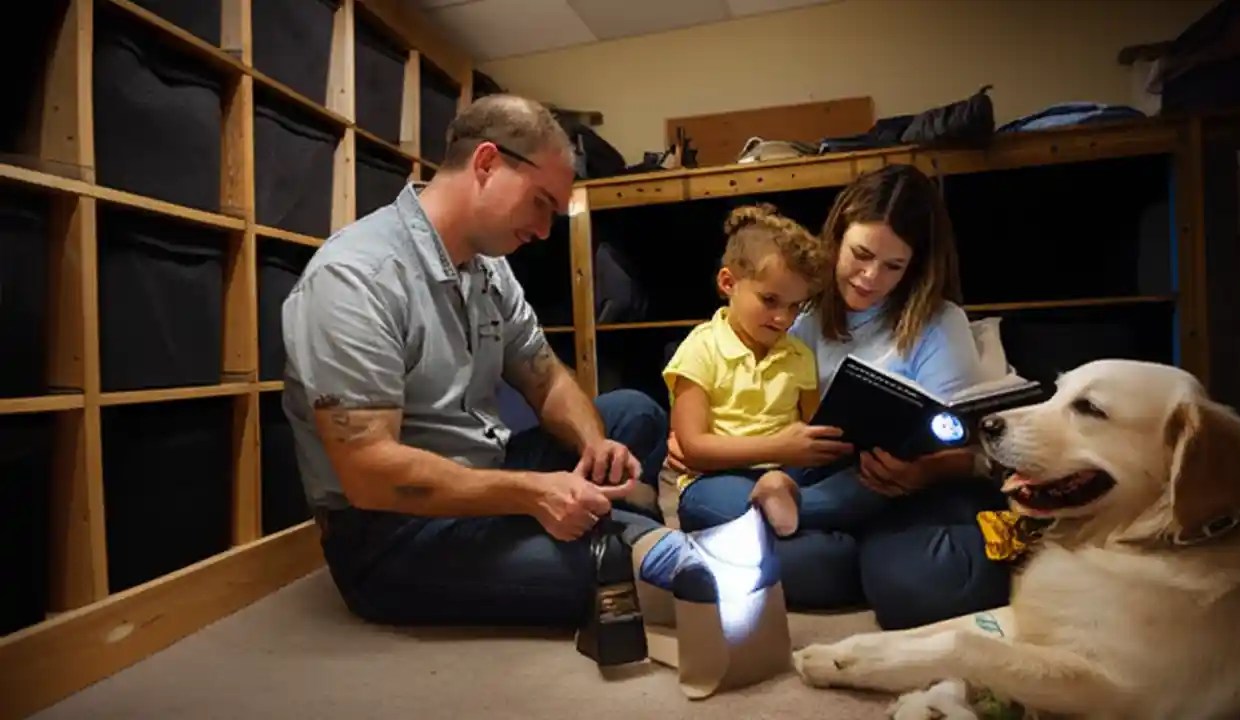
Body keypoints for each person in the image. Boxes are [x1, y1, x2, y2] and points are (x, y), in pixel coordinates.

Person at [279, 93, 712, 628]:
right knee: (629, 570)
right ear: (486, 163)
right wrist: (532, 494)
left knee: (631, 413)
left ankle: (614, 524)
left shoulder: (489, 270)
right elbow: (370, 474)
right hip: (393, 530)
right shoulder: (355, 276)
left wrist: (592, 443)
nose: (545, 230)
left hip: (486, 472)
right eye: (540, 203)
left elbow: (546, 376)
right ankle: (627, 536)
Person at [671, 164, 1011, 631]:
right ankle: (827, 545)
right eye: (861, 254)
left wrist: (917, 473)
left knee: (915, 589)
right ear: (837, 236)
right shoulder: (802, 312)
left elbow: (964, 449)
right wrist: (715, 443)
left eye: (894, 266)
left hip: (898, 489)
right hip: (809, 475)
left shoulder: (938, 322)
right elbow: (764, 406)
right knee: (715, 503)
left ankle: (812, 533)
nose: (871, 277)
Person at [662, 203, 855, 538]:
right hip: (717, 478)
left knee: (863, 484)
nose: (783, 318)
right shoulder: (700, 348)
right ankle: (796, 512)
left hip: (790, 473)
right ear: (728, 282)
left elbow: (812, 435)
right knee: (705, 503)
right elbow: (693, 448)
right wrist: (776, 448)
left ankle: (788, 508)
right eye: (770, 300)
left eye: (795, 306)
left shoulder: (799, 354)